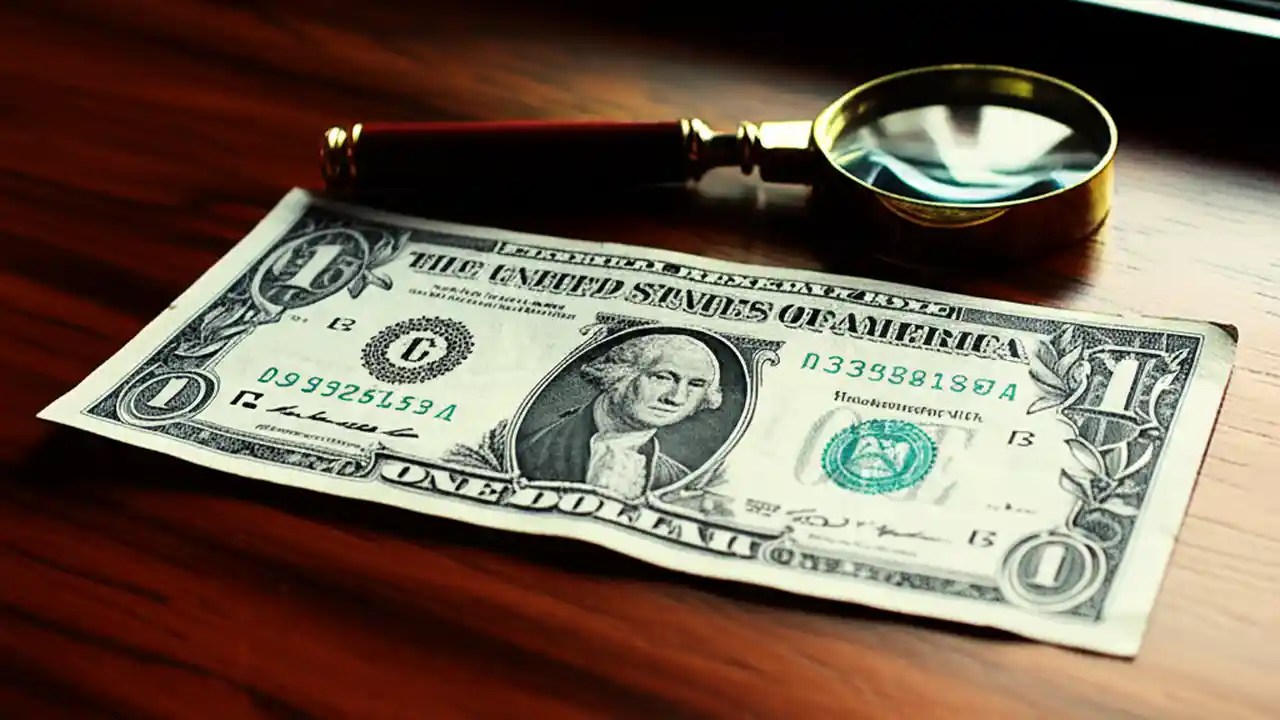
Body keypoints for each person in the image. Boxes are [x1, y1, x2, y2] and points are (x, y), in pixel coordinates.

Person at [516, 333, 723, 501]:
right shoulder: (530, 447)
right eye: (662, 377)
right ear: (619, 375)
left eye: (696, 385)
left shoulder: (679, 480)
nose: (676, 398)